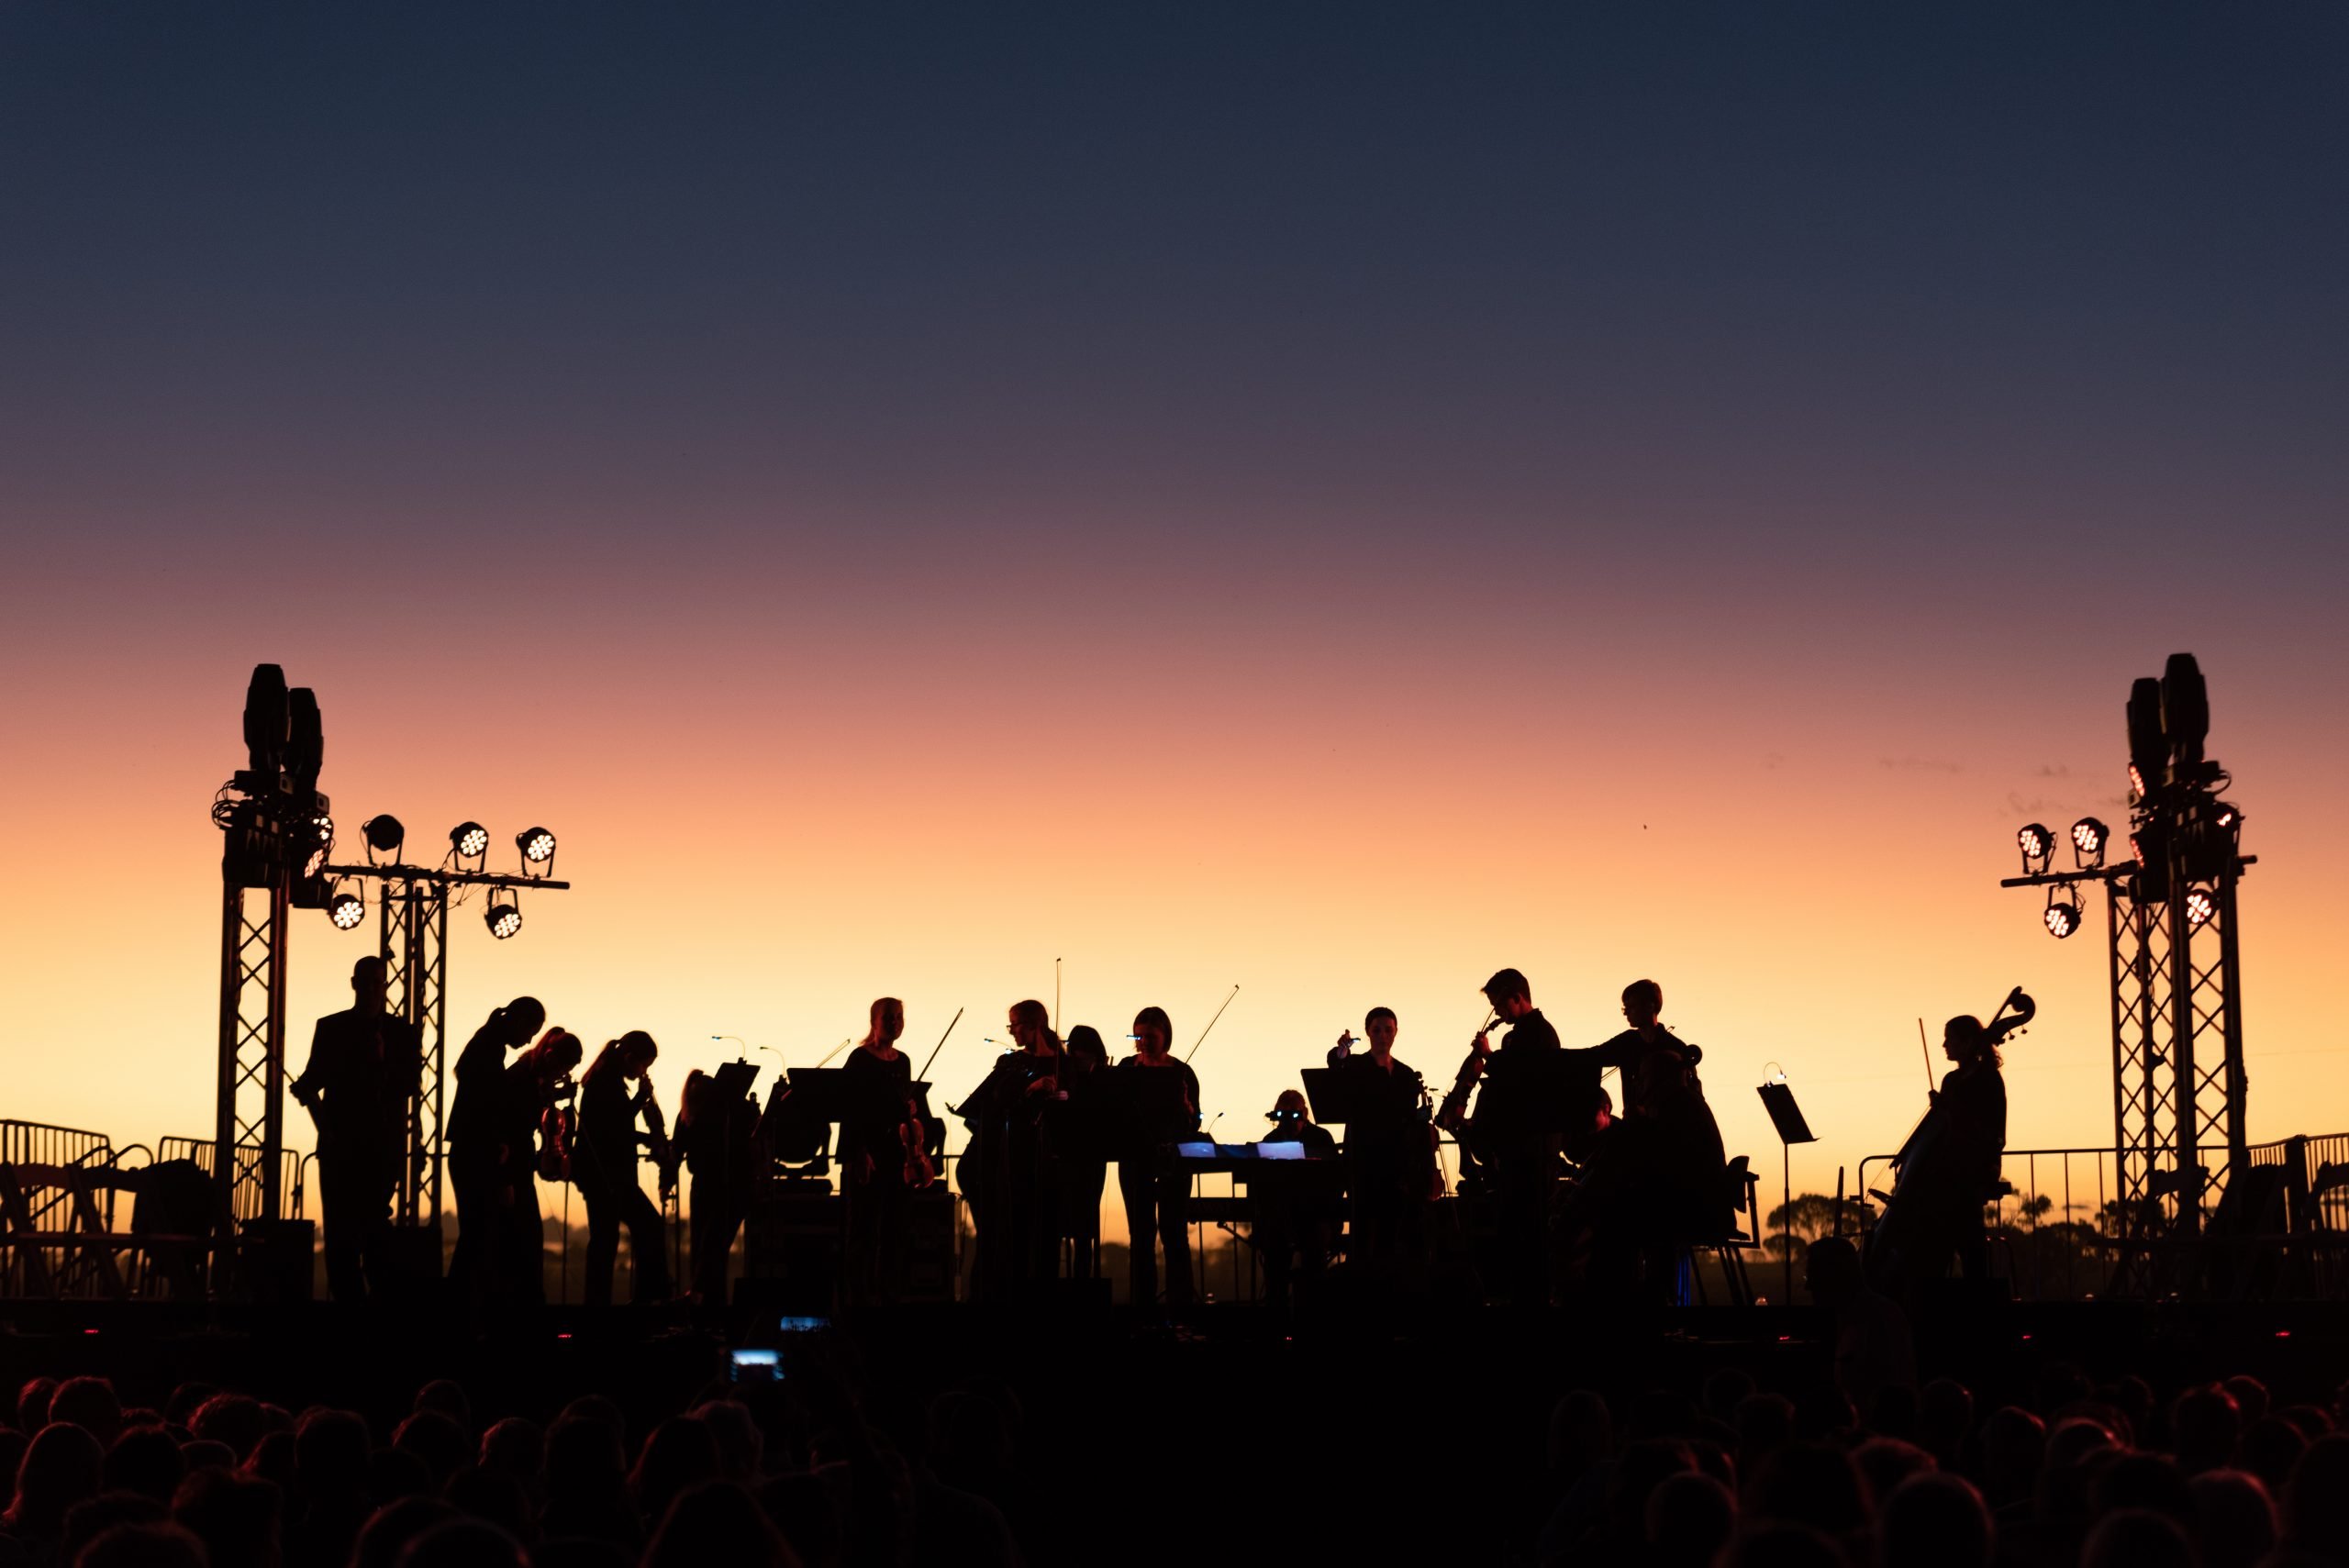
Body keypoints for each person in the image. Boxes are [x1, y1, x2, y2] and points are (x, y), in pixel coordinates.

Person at [1571, 980, 1731, 1302]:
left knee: (1620, 1219)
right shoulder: (1676, 1106)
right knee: (1623, 1211)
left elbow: (1669, 1165)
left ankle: (1633, 1300)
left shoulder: (1677, 1108)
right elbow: (1594, 1056)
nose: (1626, 1013)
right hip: (1675, 1184)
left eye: (1629, 1006)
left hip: (1686, 1202)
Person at [291, 955, 424, 1302]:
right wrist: (325, 1124)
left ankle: (367, 1306)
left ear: (383, 985)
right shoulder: (334, 1028)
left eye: (375, 982)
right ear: (354, 983)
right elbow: (308, 1084)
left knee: (370, 1228)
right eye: (364, 981)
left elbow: (408, 1085)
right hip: (346, 1146)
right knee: (343, 1232)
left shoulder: (400, 1033)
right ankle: (355, 1308)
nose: (369, 988)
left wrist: (380, 1063)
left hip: (375, 1146)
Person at [1869, 1012, 2009, 1292]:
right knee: (1938, 1228)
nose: (1945, 1045)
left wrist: (1949, 1110)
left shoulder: (1988, 1080)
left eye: (1950, 1039)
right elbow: (1944, 1129)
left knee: (1954, 1230)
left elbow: (1990, 1131)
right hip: (1947, 1172)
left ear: (1969, 1042)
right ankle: (1928, 1286)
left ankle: (1964, 1288)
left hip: (1971, 1169)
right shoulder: (1952, 1079)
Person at [1467, 967, 1564, 1307]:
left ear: (1517, 997)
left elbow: (1524, 1082)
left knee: (1532, 1230)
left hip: (1534, 1149)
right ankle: (1520, 1299)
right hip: (1516, 1148)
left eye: (1499, 1004)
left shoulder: (1539, 1034)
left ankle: (1535, 1303)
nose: (1497, 1012)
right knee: (1514, 1228)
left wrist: (1489, 1057)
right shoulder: (1519, 1035)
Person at [446, 997, 548, 1315]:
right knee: (479, 1236)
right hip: (477, 1152)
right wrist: (498, 1146)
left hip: (469, 1149)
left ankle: (463, 1310)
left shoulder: (487, 1043)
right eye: (531, 1031)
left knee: (477, 1235)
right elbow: (486, 1106)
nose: (530, 1041)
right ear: (519, 1022)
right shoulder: (491, 1050)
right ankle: (463, 1311)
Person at [960, 999, 1064, 1299]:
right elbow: (995, 1101)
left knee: (1035, 1236)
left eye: (1015, 1024)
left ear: (1034, 1026)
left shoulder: (1062, 1064)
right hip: (998, 1161)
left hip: (1038, 1165)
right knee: (994, 1233)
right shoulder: (1011, 1063)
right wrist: (1029, 1089)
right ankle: (988, 1293)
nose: (1012, 1031)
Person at [1330, 1007, 1432, 1282]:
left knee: (1391, 1230)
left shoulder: (1406, 1074)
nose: (1383, 1035)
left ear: (1396, 1032)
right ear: (1368, 1032)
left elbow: (1410, 1120)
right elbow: (1336, 1066)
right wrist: (1342, 1050)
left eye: (1388, 1029)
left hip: (1396, 1163)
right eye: (1377, 1029)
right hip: (1363, 1160)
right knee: (1362, 1230)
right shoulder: (1356, 1067)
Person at [572, 1031, 672, 1307]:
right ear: (629, 1059)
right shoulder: (606, 1082)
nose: (644, 1072)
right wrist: (641, 1099)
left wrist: (647, 1137)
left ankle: (601, 1304)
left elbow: (616, 1125)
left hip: (605, 1174)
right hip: (608, 1175)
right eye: (643, 1065)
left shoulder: (606, 1078)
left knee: (606, 1240)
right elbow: (614, 1126)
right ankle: (648, 1298)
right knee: (642, 1228)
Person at [1116, 1006, 1202, 1311]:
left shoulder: (1182, 1072)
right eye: (1137, 1036)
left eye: (1150, 1036)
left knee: (1174, 1233)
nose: (1143, 1042)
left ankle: (1180, 1307)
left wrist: (1188, 1109)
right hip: (1135, 1159)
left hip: (1173, 1161)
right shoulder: (1126, 1069)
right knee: (1140, 1236)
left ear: (1165, 1036)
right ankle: (1143, 1307)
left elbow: (1195, 1122)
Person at [493, 1027, 582, 1307]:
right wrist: (504, 1179)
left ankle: (524, 1304)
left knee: (525, 1239)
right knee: (524, 1240)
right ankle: (527, 1306)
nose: (560, 1075)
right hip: (512, 1167)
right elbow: (508, 1127)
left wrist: (558, 1096)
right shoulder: (522, 1078)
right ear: (552, 1058)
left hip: (519, 1165)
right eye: (561, 1069)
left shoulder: (531, 1075)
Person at [841, 997, 918, 1307]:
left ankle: (889, 1297)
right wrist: (860, 1151)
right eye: (888, 1017)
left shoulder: (903, 1061)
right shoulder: (859, 1059)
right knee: (862, 1230)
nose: (894, 1022)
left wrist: (910, 1108)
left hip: (896, 1154)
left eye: (899, 1017)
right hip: (868, 1151)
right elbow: (850, 1108)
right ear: (873, 1021)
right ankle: (857, 1300)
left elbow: (901, 1105)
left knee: (894, 1230)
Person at [672, 1066, 761, 1308]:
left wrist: (666, 1178)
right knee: (713, 1245)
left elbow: (676, 1151)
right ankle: (709, 1302)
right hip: (726, 1184)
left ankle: (701, 1297)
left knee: (708, 1244)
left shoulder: (690, 1114)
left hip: (710, 1184)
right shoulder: (729, 1111)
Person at [1050, 1025, 1112, 1281]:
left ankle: (1083, 1282)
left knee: (1086, 1228)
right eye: (1074, 1053)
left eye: (1084, 1053)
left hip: (1092, 1159)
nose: (1078, 1058)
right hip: (1065, 1158)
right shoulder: (1066, 1077)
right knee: (1061, 1225)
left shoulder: (1104, 1079)